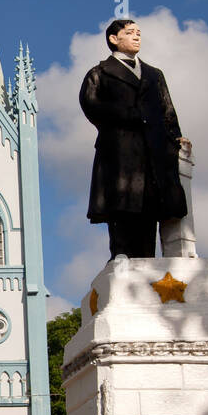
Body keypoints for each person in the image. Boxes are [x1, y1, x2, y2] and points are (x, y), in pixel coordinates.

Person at [79, 19, 191, 259]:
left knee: (150, 205)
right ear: (113, 39)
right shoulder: (99, 73)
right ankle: (119, 253)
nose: (137, 37)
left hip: (154, 152)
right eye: (130, 33)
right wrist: (127, 115)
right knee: (121, 203)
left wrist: (175, 138)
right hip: (120, 152)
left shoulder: (154, 74)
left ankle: (146, 259)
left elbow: (168, 110)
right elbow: (91, 105)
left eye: (139, 33)